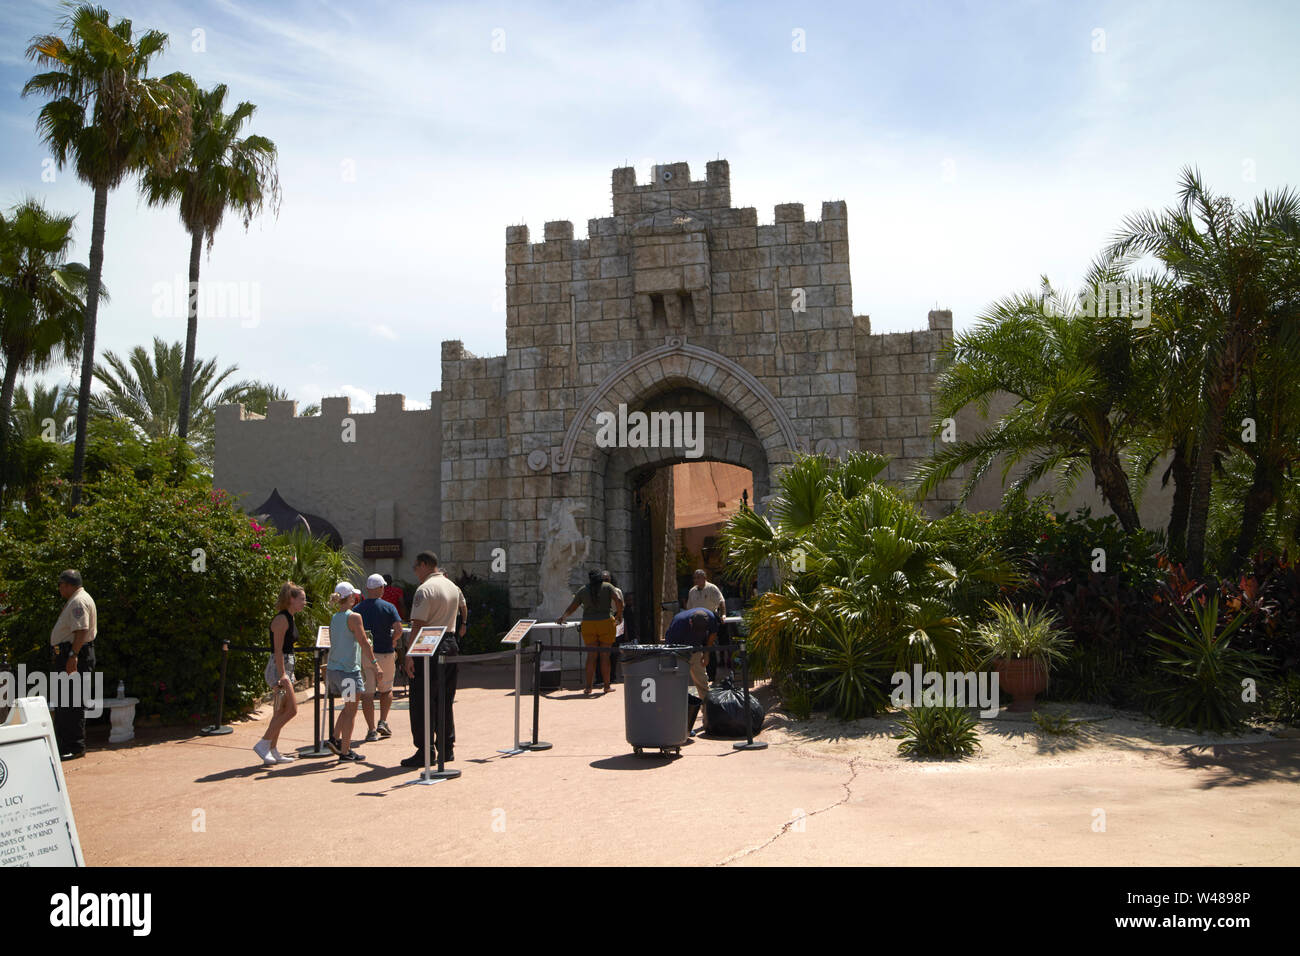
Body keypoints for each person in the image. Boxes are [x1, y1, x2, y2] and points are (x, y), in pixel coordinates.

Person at [401, 552, 466, 767]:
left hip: (428, 642)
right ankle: (446, 748)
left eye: (416, 566)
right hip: (450, 641)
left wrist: (410, 654)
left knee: (421, 700)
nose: (415, 571)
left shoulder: (425, 589)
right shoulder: (452, 587)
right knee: (445, 699)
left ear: (425, 564)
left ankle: (425, 750)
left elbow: (418, 624)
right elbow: (462, 610)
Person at [253, 582, 306, 765]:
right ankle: (263, 743)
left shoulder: (290, 618)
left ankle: (272, 749)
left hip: (286, 667)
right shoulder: (281, 619)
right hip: (279, 668)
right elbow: (277, 650)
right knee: (291, 710)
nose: (304, 603)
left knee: (281, 710)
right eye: (301, 599)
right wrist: (283, 674)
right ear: (291, 599)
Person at [327, 582, 380, 763]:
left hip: (335, 669)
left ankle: (335, 739)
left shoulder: (335, 617)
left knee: (348, 707)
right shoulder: (354, 617)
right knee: (351, 711)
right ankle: (345, 751)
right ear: (350, 597)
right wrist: (375, 664)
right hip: (348, 671)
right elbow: (364, 642)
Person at [49, 570, 97, 761]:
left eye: (61, 585)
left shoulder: (78, 601)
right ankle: (67, 744)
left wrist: (73, 655)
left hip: (73, 653)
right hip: (69, 653)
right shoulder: (77, 599)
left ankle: (74, 746)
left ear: (68, 584)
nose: (60, 588)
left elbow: (81, 630)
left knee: (71, 702)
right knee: (65, 702)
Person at [557, 569, 624, 696]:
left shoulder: (583, 590)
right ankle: (606, 686)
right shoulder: (608, 587)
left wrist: (563, 617)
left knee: (591, 656)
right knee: (605, 656)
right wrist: (619, 615)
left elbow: (573, 606)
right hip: (606, 623)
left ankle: (588, 687)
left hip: (588, 624)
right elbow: (619, 601)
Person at [357, 573, 403, 740]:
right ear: (381, 588)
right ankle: (382, 721)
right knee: (386, 689)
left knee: (367, 694)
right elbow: (398, 630)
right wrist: (393, 641)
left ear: (368, 589)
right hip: (385, 652)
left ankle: (370, 730)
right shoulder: (389, 607)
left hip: (365, 654)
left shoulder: (358, 609)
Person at [665, 606, 719, 735]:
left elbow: (713, 633)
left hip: (696, 651)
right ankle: (680, 725)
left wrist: (706, 653)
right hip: (678, 652)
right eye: (696, 630)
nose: (699, 632)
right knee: (677, 687)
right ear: (690, 623)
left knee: (703, 684)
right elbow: (670, 647)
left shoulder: (710, 618)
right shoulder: (678, 623)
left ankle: (708, 719)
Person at [685, 569, 727, 681]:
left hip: (710, 620)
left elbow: (721, 601)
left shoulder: (712, 588)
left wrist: (723, 615)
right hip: (696, 622)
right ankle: (701, 675)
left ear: (704, 578)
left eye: (698, 577)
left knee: (710, 647)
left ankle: (712, 676)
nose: (696, 580)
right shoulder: (692, 591)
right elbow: (689, 607)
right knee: (698, 648)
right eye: (695, 578)